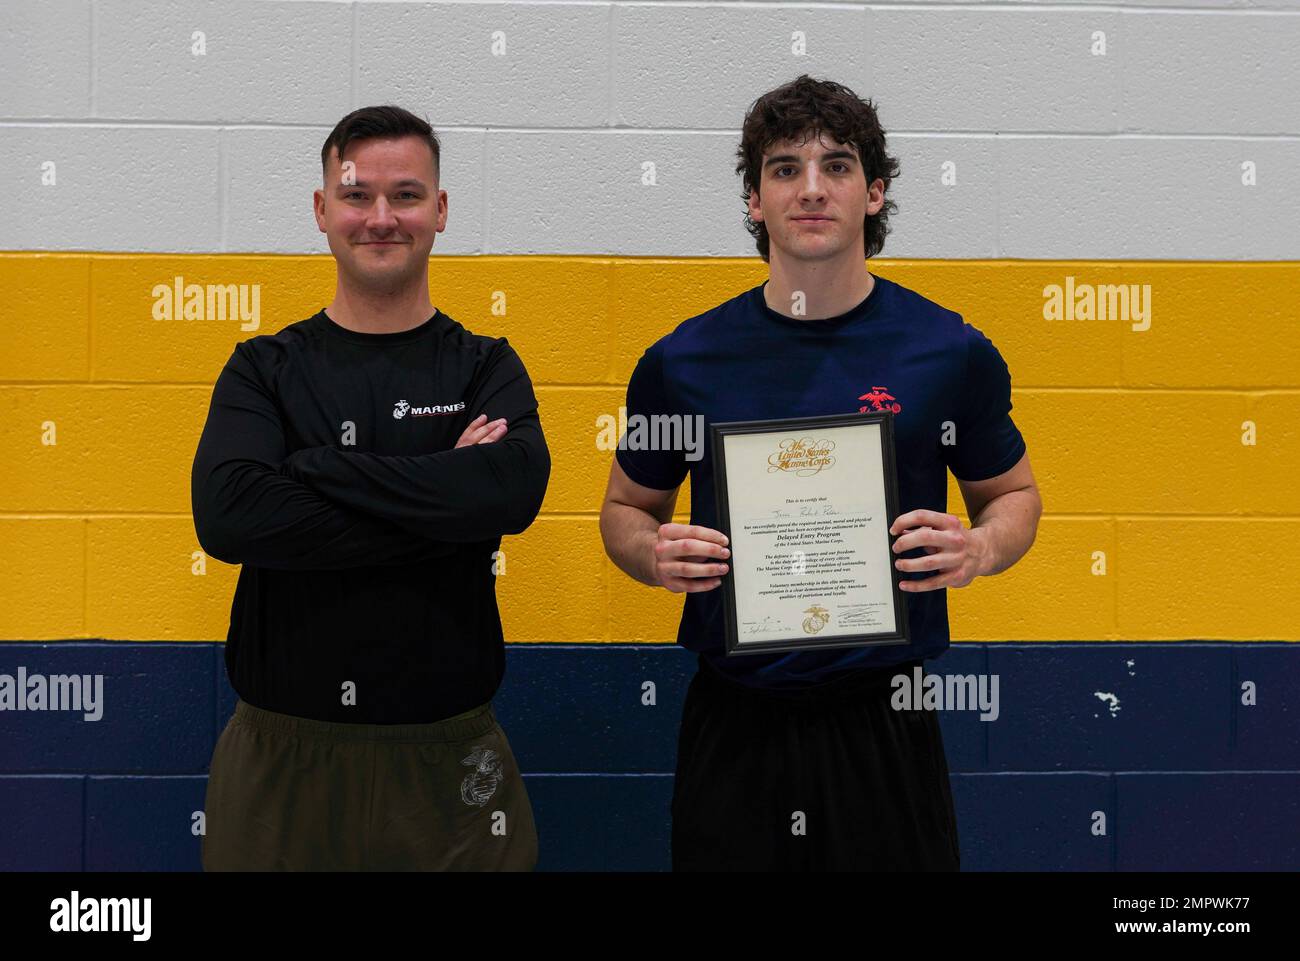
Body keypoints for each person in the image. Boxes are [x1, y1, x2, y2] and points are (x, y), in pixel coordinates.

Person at [599, 76, 1042, 871]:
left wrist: (978, 549)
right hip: (737, 718)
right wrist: (651, 554)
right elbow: (625, 511)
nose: (811, 188)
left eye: (836, 167)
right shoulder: (682, 360)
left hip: (886, 714)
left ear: (874, 194)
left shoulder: (949, 350)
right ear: (753, 199)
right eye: (783, 168)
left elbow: (1013, 496)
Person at [191, 105, 550, 871]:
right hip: (281, 757)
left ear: (441, 210)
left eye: (407, 195)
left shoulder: (486, 364)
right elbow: (229, 516)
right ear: (322, 210)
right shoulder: (263, 367)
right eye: (356, 195)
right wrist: (446, 507)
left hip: (448, 757)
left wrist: (314, 468)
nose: (380, 217)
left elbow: (510, 493)